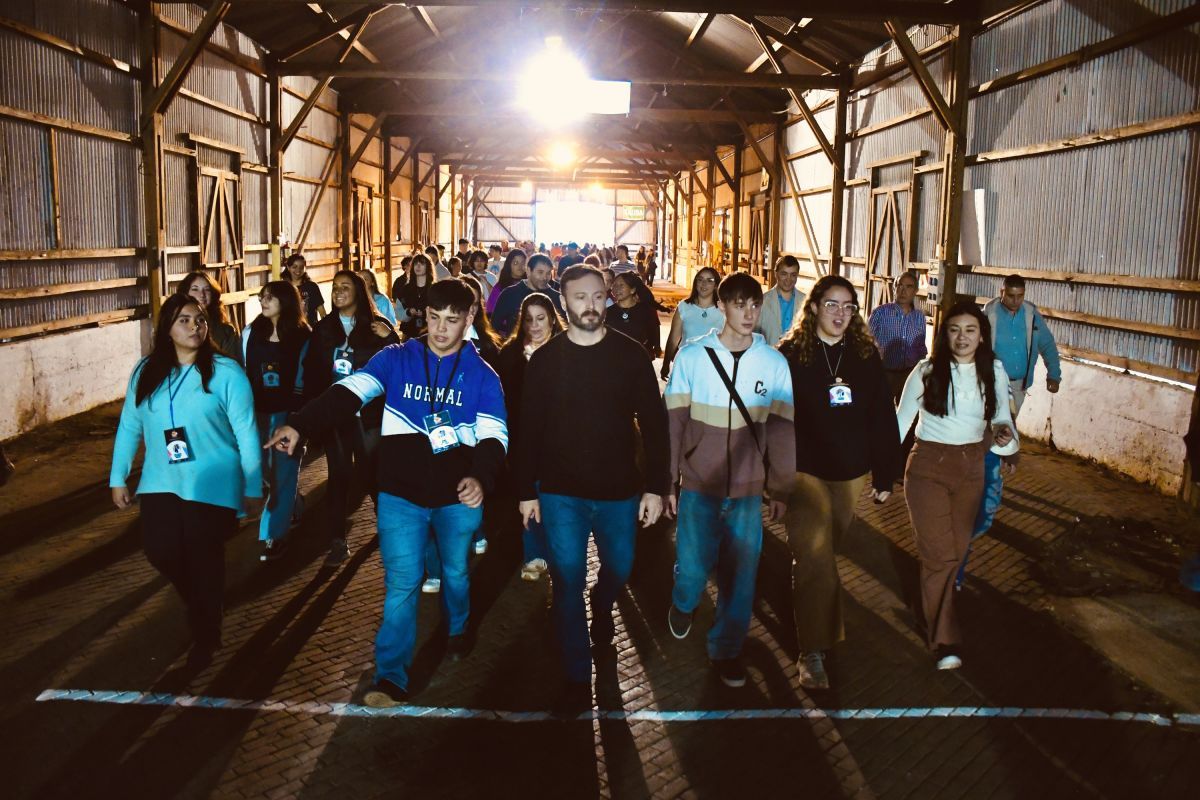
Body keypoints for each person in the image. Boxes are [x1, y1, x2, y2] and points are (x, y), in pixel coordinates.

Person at [266, 279, 509, 707]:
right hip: (400, 495)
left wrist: (481, 478)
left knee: (454, 572)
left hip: (457, 498)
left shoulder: (484, 376)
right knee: (402, 581)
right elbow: (347, 392)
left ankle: (457, 627)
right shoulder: (397, 358)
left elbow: (494, 436)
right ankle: (390, 675)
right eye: (434, 318)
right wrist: (300, 424)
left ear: (469, 319)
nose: (440, 329)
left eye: (452, 321)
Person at [514, 265, 669, 711]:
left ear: (607, 298)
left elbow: (656, 426)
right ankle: (578, 674)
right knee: (567, 578)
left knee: (618, 569)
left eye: (598, 296)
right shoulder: (546, 360)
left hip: (619, 491)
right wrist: (526, 491)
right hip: (561, 492)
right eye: (580, 297)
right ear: (564, 302)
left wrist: (656, 488)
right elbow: (529, 431)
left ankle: (603, 605)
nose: (590, 305)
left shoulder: (631, 356)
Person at [110, 294, 262, 669]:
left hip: (213, 479)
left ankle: (206, 635)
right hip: (161, 479)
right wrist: (118, 476)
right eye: (184, 320)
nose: (195, 326)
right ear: (167, 329)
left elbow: (246, 431)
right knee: (160, 551)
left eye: (200, 320)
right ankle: (203, 603)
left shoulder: (226, 373)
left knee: (202, 553)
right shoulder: (146, 372)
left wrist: (254, 484)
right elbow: (130, 425)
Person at [663, 273, 795, 688]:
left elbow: (782, 428)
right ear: (721, 307)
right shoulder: (691, 357)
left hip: (747, 490)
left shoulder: (774, 363)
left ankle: (727, 650)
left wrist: (781, 485)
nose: (749, 313)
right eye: (739, 305)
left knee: (742, 576)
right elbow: (673, 424)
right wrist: (668, 480)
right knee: (693, 569)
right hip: (698, 486)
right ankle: (683, 602)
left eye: (755, 305)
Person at [777, 275, 901, 690]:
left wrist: (886, 472)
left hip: (850, 473)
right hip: (803, 471)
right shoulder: (790, 355)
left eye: (848, 307)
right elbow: (772, 419)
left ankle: (821, 625)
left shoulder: (864, 355)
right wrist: (772, 474)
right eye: (831, 305)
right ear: (813, 308)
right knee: (814, 556)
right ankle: (812, 652)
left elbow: (882, 415)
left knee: (826, 554)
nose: (840, 314)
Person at [896, 301, 1018, 671]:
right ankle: (944, 639)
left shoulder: (993, 371)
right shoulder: (926, 371)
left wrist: (1007, 441)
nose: (962, 337)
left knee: (957, 551)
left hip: (972, 469)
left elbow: (1000, 418)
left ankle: (929, 613)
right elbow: (900, 421)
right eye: (954, 329)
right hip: (928, 469)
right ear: (943, 333)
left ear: (982, 335)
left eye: (970, 330)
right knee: (941, 558)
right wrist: (876, 470)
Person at [304, 270, 399, 564]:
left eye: (345, 286)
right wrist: (315, 418)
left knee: (373, 474)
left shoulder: (376, 327)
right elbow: (314, 373)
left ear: (358, 291)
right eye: (334, 287)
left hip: (369, 414)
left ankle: (388, 525)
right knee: (339, 476)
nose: (337, 291)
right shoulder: (323, 329)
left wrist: (391, 336)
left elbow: (397, 362)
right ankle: (337, 540)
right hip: (338, 415)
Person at [495, 293, 565, 581]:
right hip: (524, 438)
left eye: (540, 318)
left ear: (551, 318)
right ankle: (534, 553)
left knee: (558, 500)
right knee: (530, 493)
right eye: (528, 320)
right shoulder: (511, 354)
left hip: (561, 439)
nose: (534, 326)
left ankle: (558, 551)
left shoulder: (567, 350)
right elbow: (503, 399)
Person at [241, 280, 311, 561]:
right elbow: (243, 372)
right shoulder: (250, 333)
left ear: (286, 300)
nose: (263, 300)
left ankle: (273, 535)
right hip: (257, 413)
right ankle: (294, 502)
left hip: (288, 414)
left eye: (269, 297)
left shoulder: (303, 336)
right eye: (262, 296)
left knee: (282, 470)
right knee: (268, 473)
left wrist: (298, 419)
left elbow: (305, 379)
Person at [983, 273, 1061, 415]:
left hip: (1018, 387)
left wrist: (1054, 375)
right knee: (989, 428)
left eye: (1020, 296)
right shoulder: (988, 316)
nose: (1015, 301)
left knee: (1007, 427)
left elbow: (1048, 345)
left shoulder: (1032, 316)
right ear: (1002, 292)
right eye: (1011, 296)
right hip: (990, 384)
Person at [868, 270, 928, 401]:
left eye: (909, 286)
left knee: (909, 416)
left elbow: (921, 347)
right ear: (894, 287)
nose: (903, 290)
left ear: (916, 291)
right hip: (884, 374)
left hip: (909, 375)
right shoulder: (880, 313)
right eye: (900, 285)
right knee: (881, 413)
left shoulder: (919, 317)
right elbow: (866, 343)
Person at [661, 267, 724, 380]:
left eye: (709, 280)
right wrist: (666, 364)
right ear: (695, 283)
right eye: (700, 279)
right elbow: (673, 338)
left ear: (716, 285)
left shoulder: (723, 310)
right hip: (685, 365)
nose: (704, 284)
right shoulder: (684, 307)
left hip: (713, 366)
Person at [490, 253, 564, 338]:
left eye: (548, 273)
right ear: (528, 271)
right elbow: (493, 327)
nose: (544, 277)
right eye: (540, 272)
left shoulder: (557, 298)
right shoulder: (510, 294)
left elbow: (563, 332)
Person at [177, 271, 242, 364]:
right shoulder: (174, 328)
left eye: (207, 290)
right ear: (185, 293)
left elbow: (232, 365)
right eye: (195, 289)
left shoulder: (227, 331)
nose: (202, 294)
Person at [606, 272, 661, 357]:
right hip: (614, 360)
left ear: (632, 290)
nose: (616, 289)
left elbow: (654, 333)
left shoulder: (646, 311)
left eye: (621, 285)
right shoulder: (607, 312)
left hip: (640, 359)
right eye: (614, 285)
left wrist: (654, 349)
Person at [755, 255, 804, 348]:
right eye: (784, 274)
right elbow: (754, 334)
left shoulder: (805, 302)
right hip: (769, 357)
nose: (788, 279)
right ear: (776, 274)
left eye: (793, 275)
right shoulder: (763, 301)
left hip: (796, 359)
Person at [395, 253, 432, 339]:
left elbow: (441, 311)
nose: (418, 266)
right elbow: (398, 312)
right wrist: (408, 312)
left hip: (430, 335)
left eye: (422, 263)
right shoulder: (405, 289)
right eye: (415, 264)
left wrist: (426, 313)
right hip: (409, 335)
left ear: (428, 267)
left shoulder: (435, 289)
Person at [285, 253, 325, 328]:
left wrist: (325, 327)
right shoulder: (284, 287)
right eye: (294, 267)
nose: (298, 270)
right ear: (288, 267)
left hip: (311, 330)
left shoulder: (312, 287)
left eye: (301, 267)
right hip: (290, 331)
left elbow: (321, 310)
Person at [485, 248, 528, 316]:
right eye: (515, 263)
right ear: (509, 264)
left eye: (523, 263)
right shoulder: (500, 287)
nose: (520, 266)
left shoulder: (530, 286)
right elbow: (491, 311)